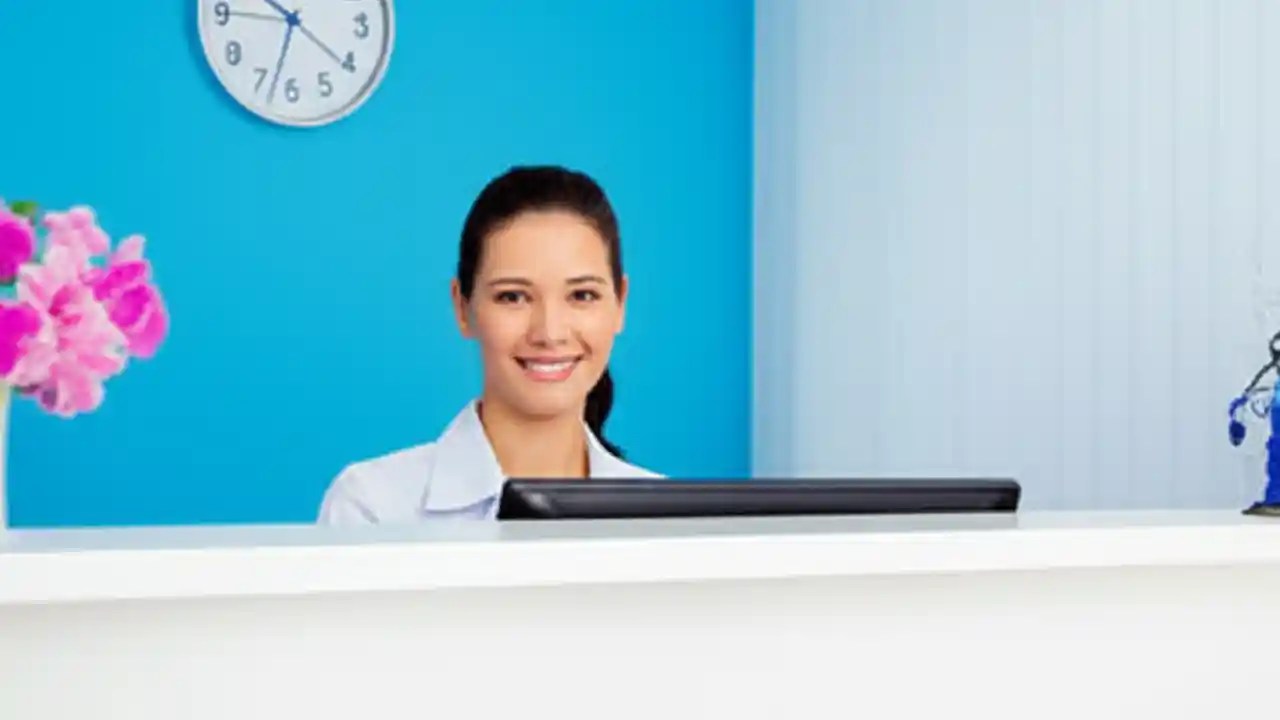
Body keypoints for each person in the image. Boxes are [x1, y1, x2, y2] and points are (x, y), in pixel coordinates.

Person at [317, 165, 661, 525]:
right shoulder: (374, 507)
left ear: (620, 304)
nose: (549, 332)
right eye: (513, 297)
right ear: (462, 308)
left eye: (582, 295)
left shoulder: (665, 521)